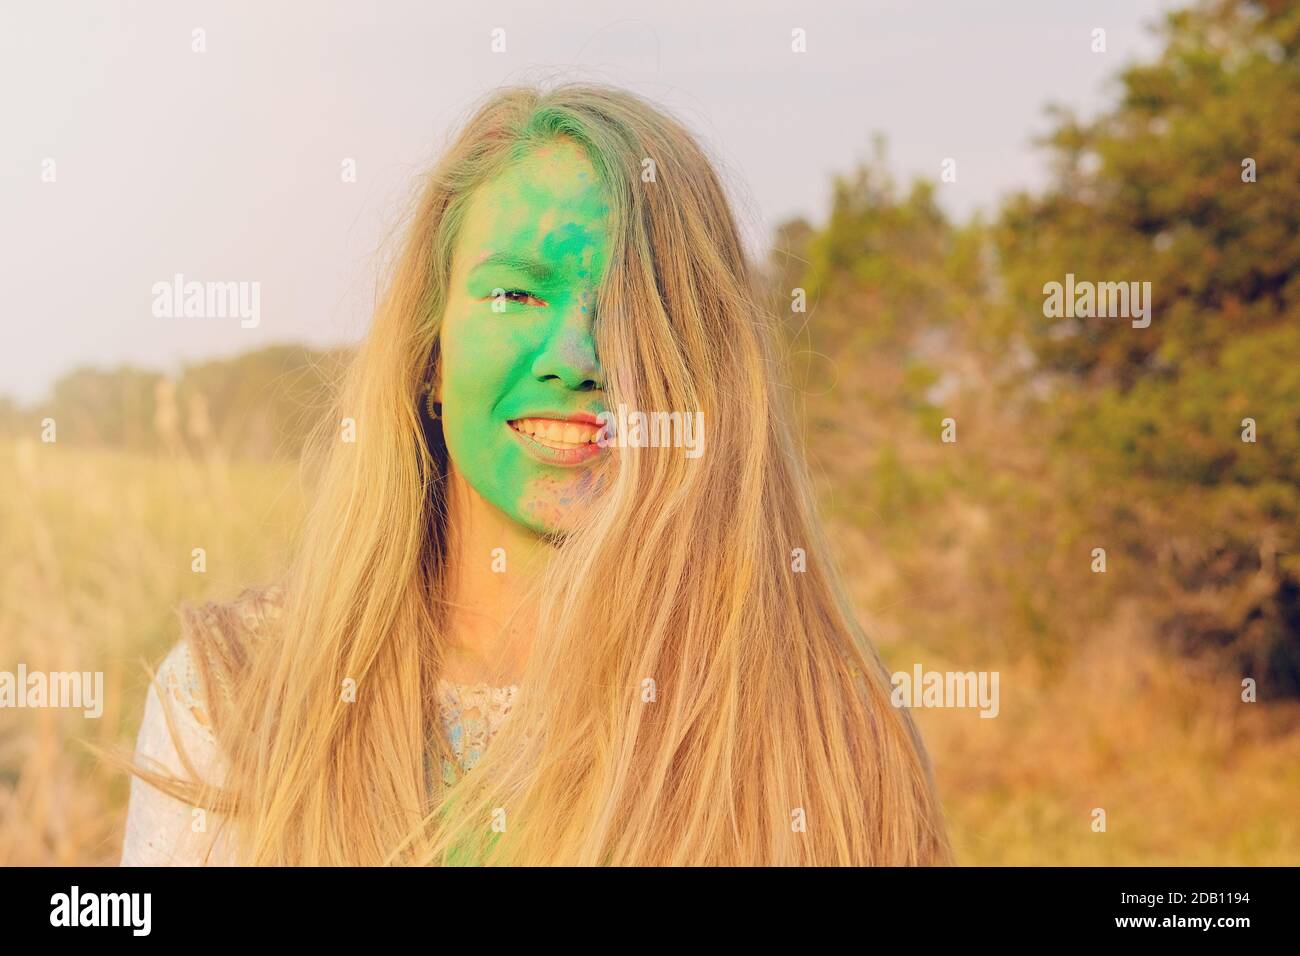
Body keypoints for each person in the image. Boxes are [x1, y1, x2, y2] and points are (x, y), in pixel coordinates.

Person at [120, 83, 950, 866]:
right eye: (516, 295)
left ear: (711, 370)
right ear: (430, 356)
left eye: (635, 306)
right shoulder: (235, 701)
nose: (575, 358)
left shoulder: (829, 728)